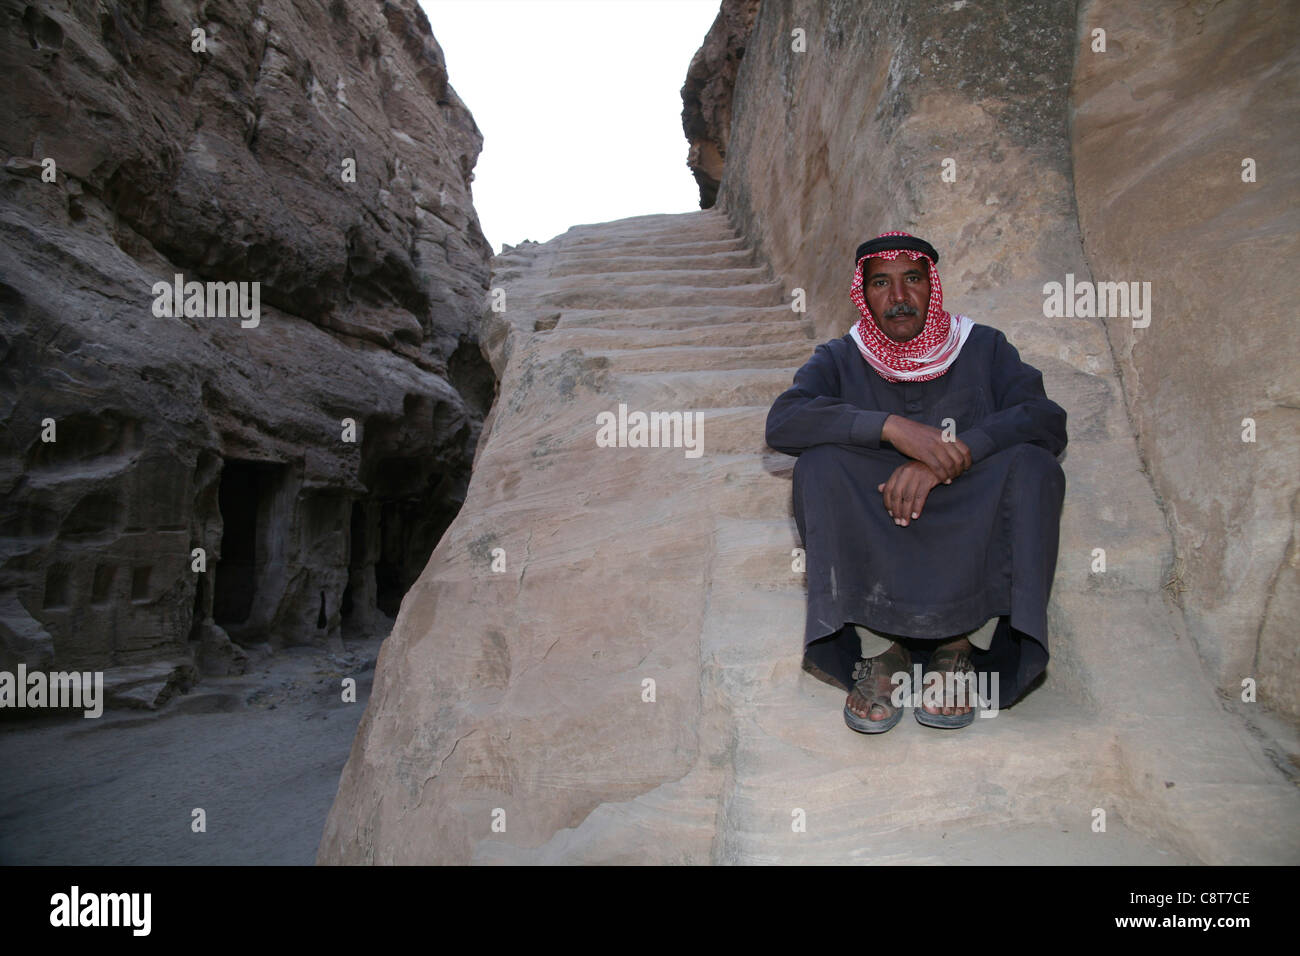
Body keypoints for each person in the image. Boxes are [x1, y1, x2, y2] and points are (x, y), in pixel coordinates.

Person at [765, 231, 1067, 732]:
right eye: (881, 283)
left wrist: (956, 454)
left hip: (969, 506)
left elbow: (1044, 418)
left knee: (1034, 466)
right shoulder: (841, 356)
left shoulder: (984, 346)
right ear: (865, 294)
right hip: (884, 510)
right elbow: (785, 421)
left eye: (913, 280)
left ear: (933, 287)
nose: (899, 297)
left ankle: (956, 649)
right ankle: (891, 652)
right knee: (818, 465)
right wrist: (891, 428)